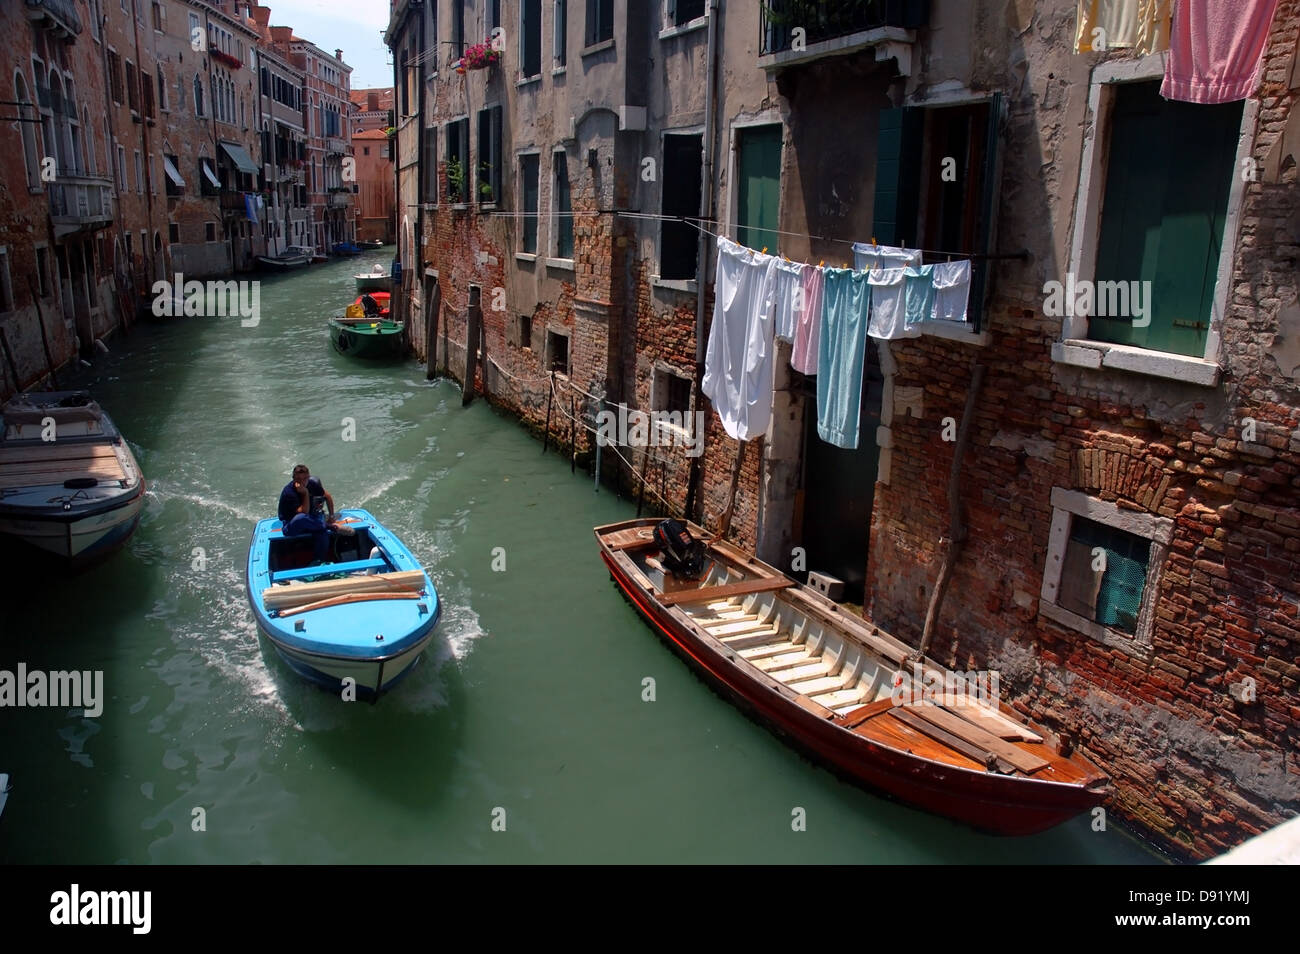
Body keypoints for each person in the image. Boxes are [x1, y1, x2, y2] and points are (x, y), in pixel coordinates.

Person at [277, 464, 337, 563]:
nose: (302, 482)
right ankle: (327, 526)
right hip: (292, 525)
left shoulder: (312, 484)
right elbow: (304, 512)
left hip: (311, 521)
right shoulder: (288, 492)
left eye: (305, 478)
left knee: (322, 533)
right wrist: (305, 492)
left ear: (308, 477)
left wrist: (331, 516)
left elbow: (328, 496)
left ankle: (319, 561)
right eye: (298, 479)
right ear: (293, 479)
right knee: (301, 518)